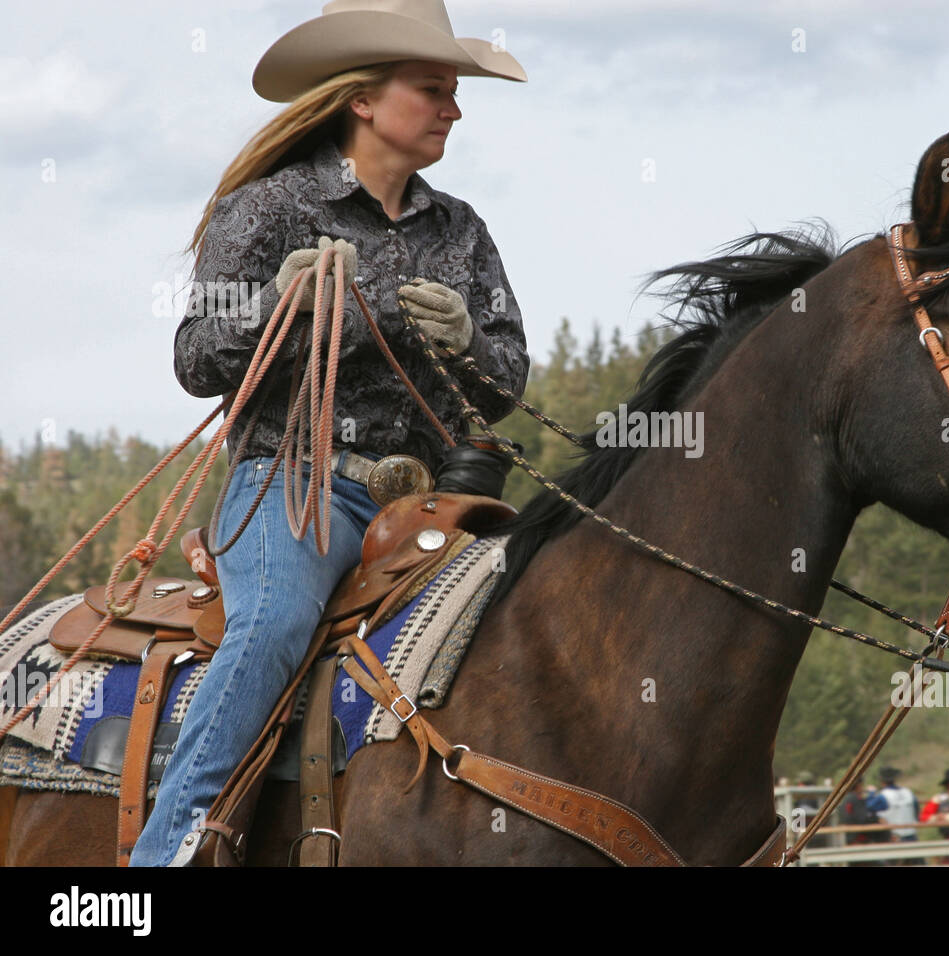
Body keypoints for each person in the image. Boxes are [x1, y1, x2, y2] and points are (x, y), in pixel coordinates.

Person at [130, 0, 529, 866]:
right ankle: (160, 859)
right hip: (297, 483)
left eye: (454, 92)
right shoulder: (267, 208)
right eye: (434, 89)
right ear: (362, 99)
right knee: (274, 623)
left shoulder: (460, 230)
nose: (453, 109)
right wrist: (279, 305)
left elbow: (506, 384)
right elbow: (198, 357)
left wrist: (468, 342)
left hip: (429, 503)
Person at [866, 766, 920, 846]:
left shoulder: (884, 795)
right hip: (911, 833)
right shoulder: (907, 792)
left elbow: (869, 807)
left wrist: (871, 793)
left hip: (894, 836)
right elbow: (916, 809)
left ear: (882, 781)